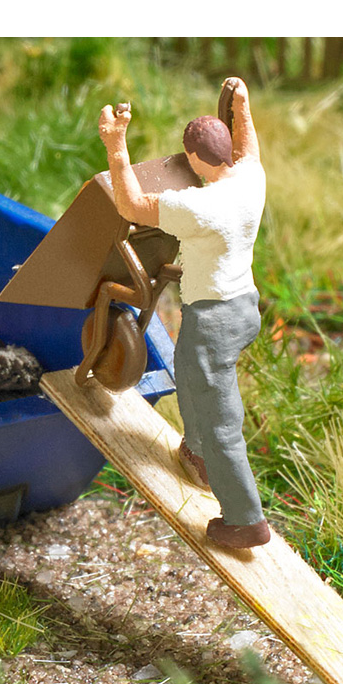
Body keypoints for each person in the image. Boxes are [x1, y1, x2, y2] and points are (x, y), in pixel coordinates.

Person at [94, 78, 270, 549]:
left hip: (214, 318)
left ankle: (245, 519)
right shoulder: (251, 177)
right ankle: (197, 454)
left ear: (194, 159)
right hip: (242, 307)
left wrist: (116, 144)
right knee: (189, 377)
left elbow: (130, 204)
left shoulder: (199, 206)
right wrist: (242, 106)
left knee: (220, 421)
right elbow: (249, 145)